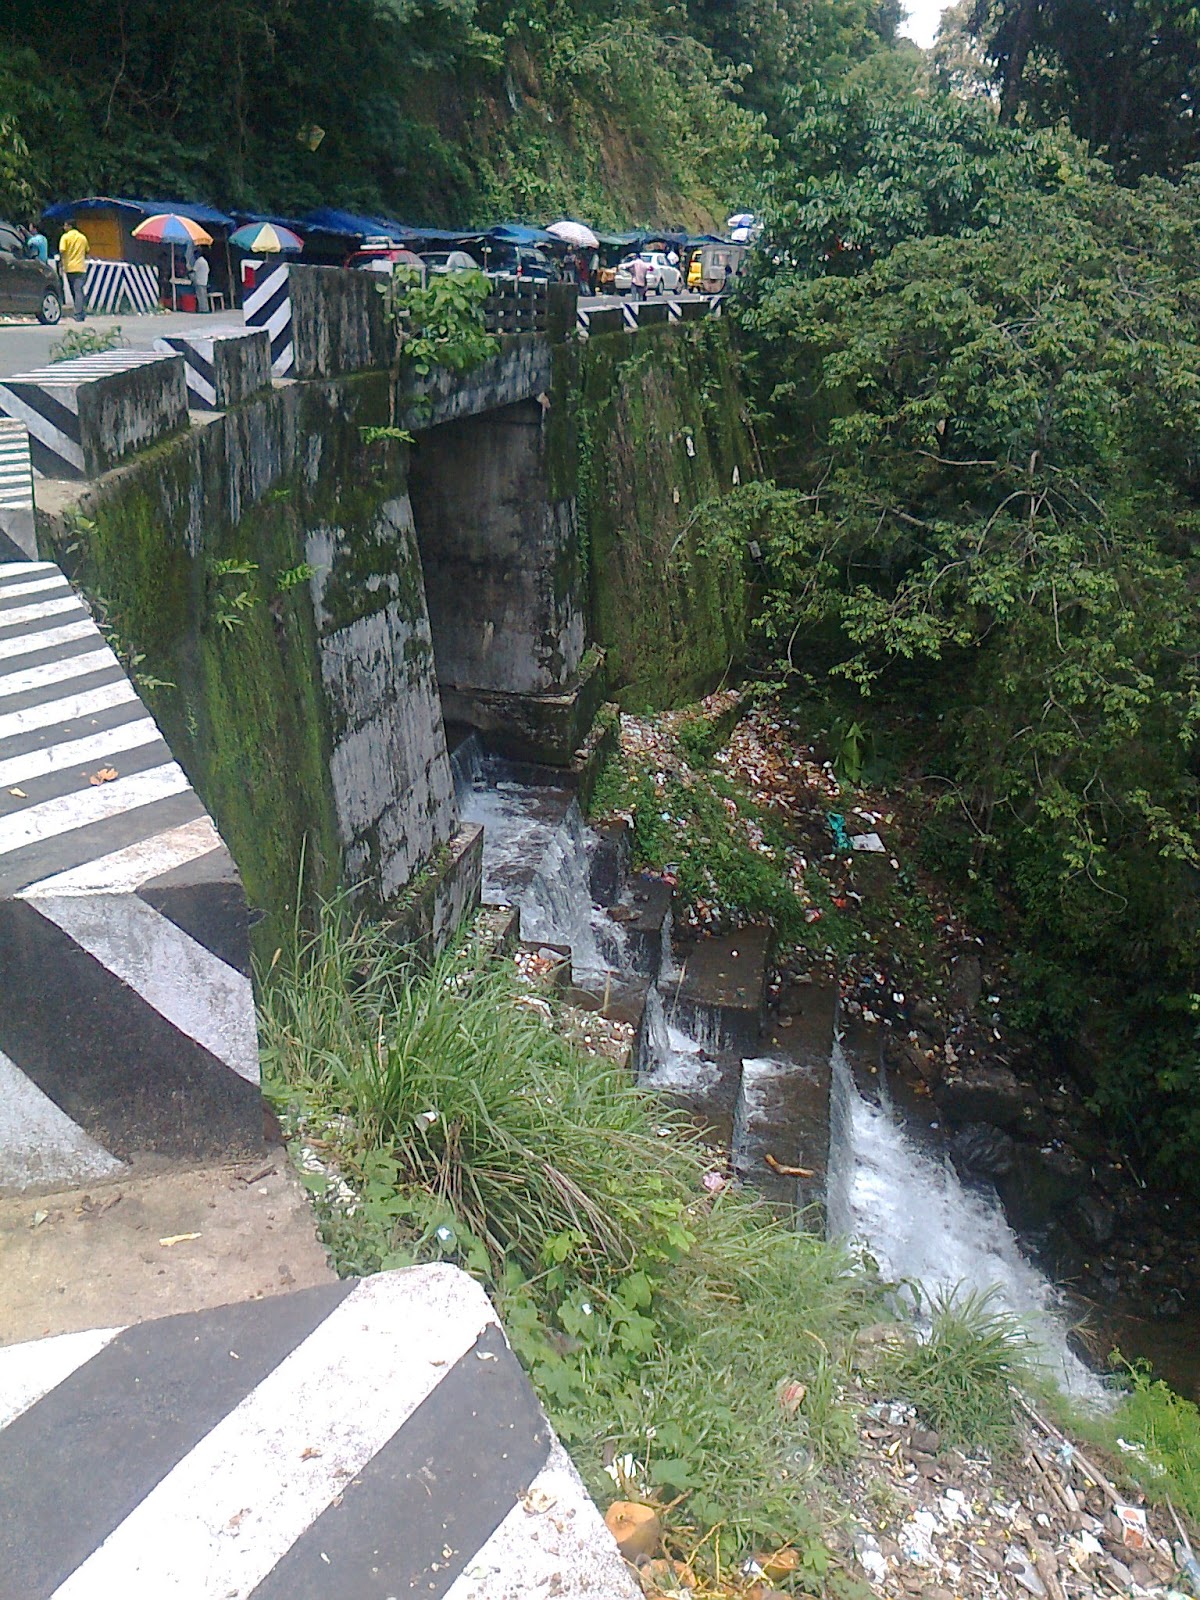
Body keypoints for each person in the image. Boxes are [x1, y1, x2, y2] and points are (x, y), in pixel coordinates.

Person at [58, 218, 89, 321]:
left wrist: (61, 264)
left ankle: (78, 313)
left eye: (65, 225)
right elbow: (87, 251)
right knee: (78, 291)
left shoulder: (65, 237)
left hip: (69, 267)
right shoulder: (83, 237)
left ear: (70, 226)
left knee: (74, 291)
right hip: (80, 267)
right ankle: (81, 312)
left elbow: (62, 251)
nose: (64, 227)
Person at [191, 249, 210, 314]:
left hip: (199, 281)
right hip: (204, 280)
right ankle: (205, 308)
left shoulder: (198, 262)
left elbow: (194, 270)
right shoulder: (204, 261)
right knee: (204, 296)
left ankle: (202, 309)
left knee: (200, 296)